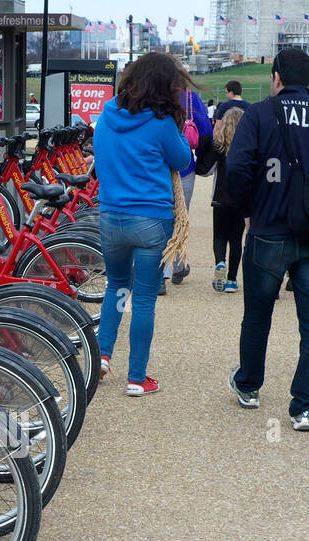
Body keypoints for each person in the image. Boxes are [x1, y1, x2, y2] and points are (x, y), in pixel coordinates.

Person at [224, 47, 309, 432]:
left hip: (269, 226)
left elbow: (237, 169)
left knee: (257, 313)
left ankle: (250, 385)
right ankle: (305, 407)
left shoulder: (259, 114)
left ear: (276, 76)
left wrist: (248, 207)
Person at [92, 51, 198, 397]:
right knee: (145, 300)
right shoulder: (161, 122)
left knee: (117, 286)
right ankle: (137, 377)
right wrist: (179, 131)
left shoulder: (107, 114)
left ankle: (101, 358)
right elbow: (183, 161)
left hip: (110, 216)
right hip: (152, 218)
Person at [195, 106, 245, 293]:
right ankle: (232, 279)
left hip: (220, 198)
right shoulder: (247, 148)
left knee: (220, 236)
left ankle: (220, 262)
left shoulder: (218, 146)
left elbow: (205, 170)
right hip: (240, 200)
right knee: (236, 239)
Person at [168, 82, 213, 286]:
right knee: (180, 216)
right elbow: (205, 132)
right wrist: (201, 162)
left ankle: (158, 271)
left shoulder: (150, 96)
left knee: (153, 216)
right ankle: (177, 264)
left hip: (153, 166)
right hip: (183, 167)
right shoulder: (189, 98)